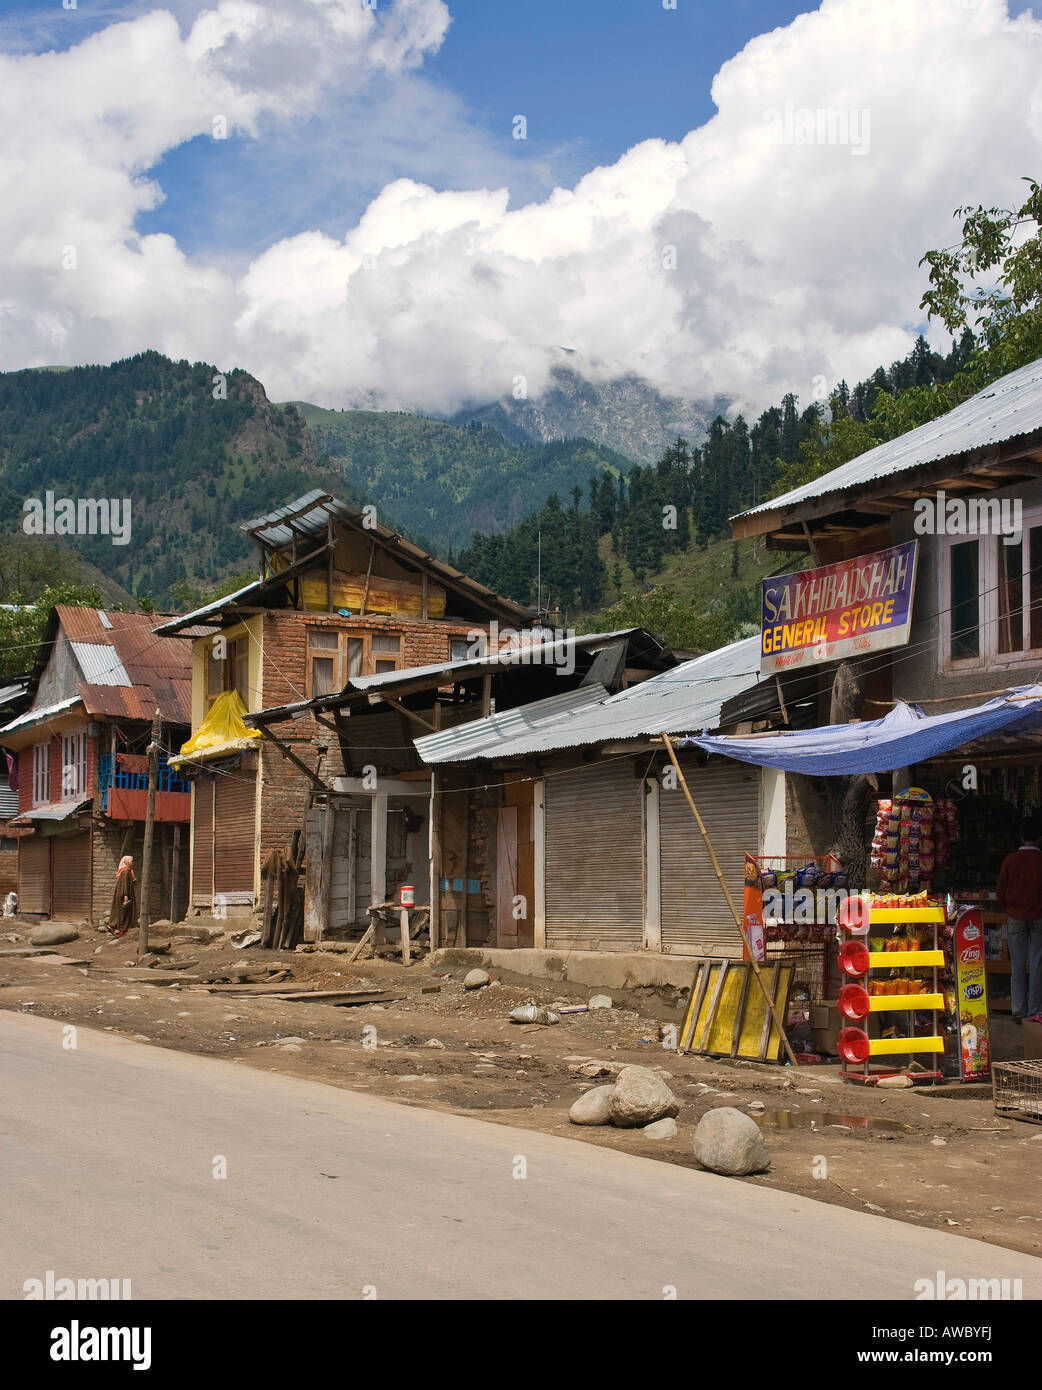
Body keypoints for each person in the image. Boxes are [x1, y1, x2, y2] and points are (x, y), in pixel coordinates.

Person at [996, 823, 1042, 1021]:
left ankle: (1018, 1010)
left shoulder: (1010, 860)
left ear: (1022, 837)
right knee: (1037, 963)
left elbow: (1001, 890)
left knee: (1017, 965)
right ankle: (1035, 1010)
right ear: (1039, 839)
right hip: (1039, 915)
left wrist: (1007, 907)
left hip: (1015, 915)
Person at [107, 854, 137, 938]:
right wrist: (126, 895)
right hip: (125, 894)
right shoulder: (126, 871)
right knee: (125, 912)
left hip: (122, 893)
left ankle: (116, 928)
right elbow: (125, 884)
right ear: (126, 862)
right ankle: (121, 931)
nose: (133, 862)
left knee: (121, 911)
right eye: (131, 861)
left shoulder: (123, 871)